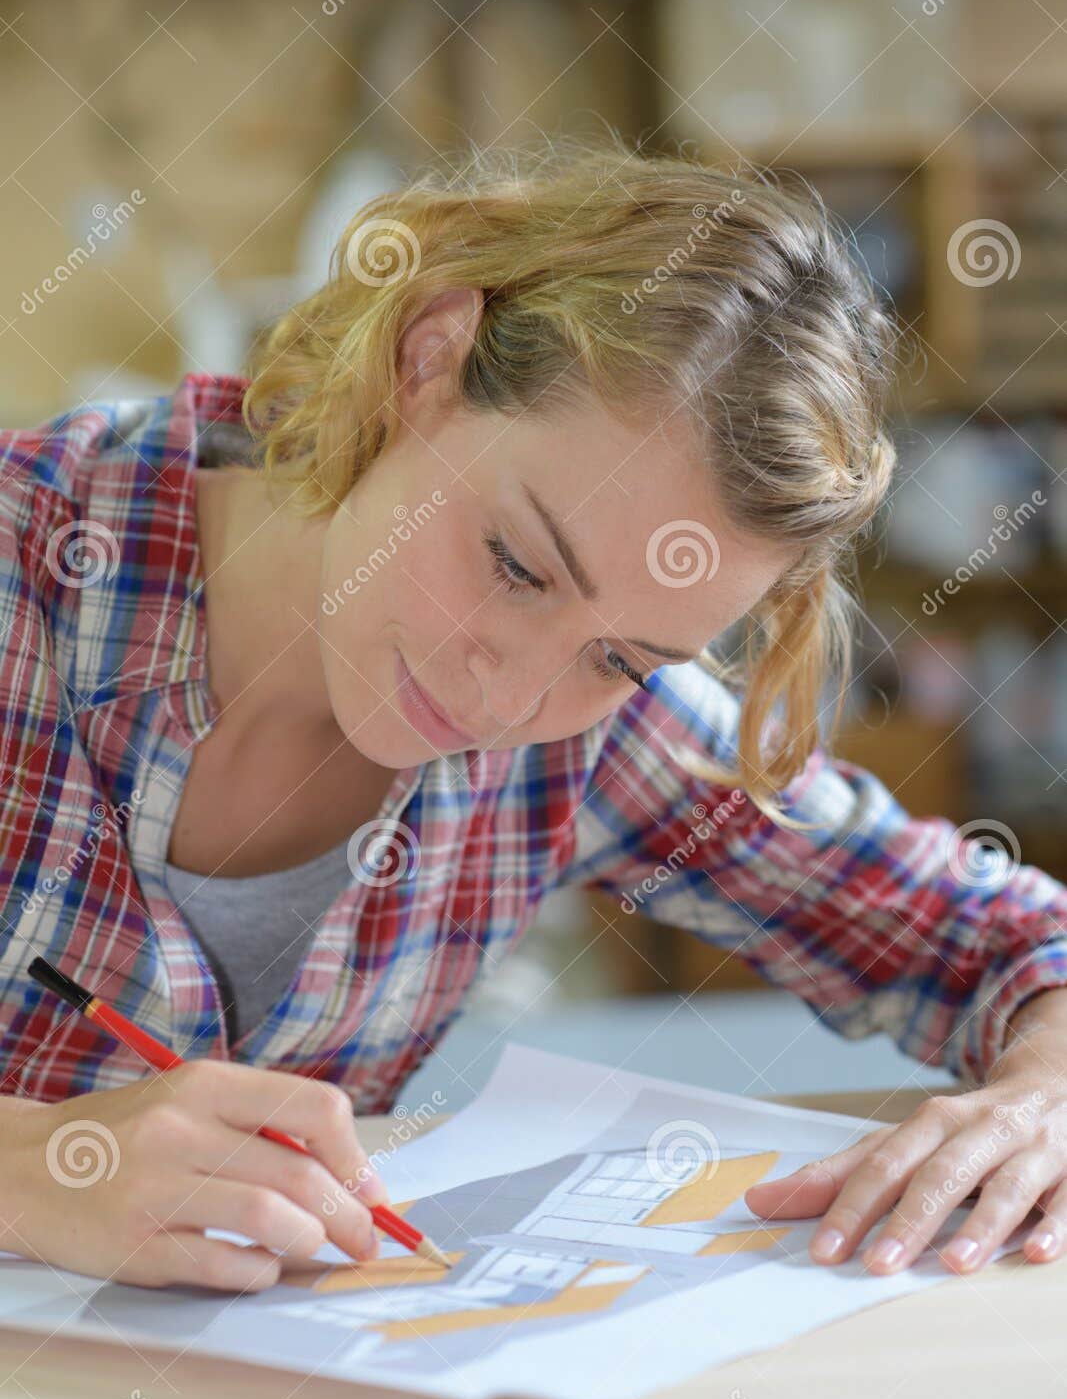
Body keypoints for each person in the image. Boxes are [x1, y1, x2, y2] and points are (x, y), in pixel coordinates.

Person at [2, 139, 1065, 1296]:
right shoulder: (25, 568)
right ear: (427, 360)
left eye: (619, 655)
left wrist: (1041, 1097)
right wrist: (28, 1165)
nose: (504, 701)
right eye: (515, 564)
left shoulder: (604, 735)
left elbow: (994, 937)